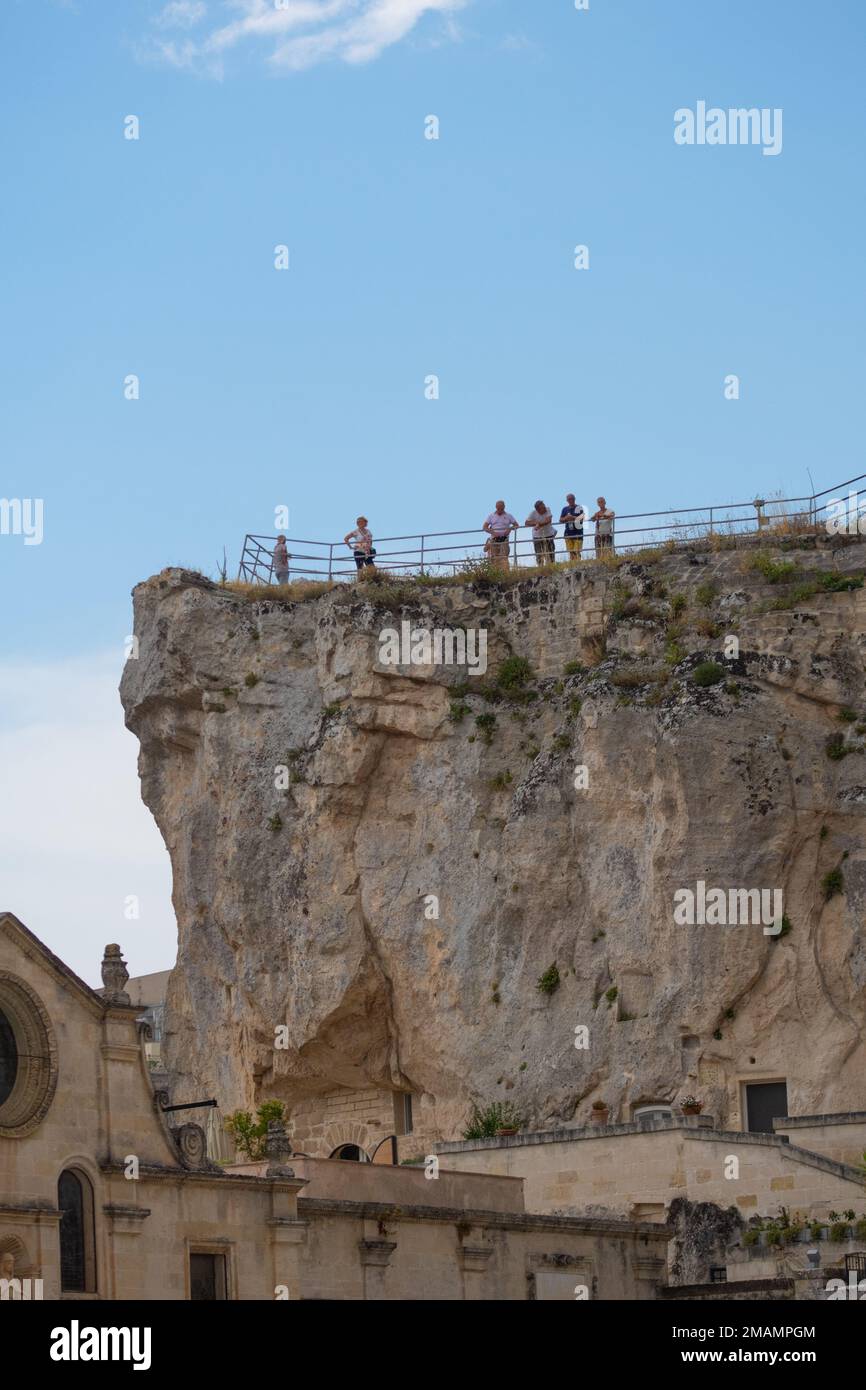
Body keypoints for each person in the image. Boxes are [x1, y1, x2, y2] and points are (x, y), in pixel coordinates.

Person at [483, 501, 518, 571]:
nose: (500, 510)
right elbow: (484, 527)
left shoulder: (509, 516)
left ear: (504, 507)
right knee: (494, 558)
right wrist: (492, 532)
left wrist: (510, 529)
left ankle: (506, 573)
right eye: (498, 508)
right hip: (494, 539)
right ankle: (495, 574)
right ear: (496, 507)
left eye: (501, 508)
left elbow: (516, 525)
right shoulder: (491, 516)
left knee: (504, 557)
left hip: (504, 539)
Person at [524, 500, 556, 566]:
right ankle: (540, 568)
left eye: (544, 506)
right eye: (543, 507)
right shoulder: (533, 513)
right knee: (539, 554)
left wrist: (539, 525)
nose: (544, 508)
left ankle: (551, 567)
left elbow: (548, 520)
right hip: (537, 536)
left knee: (551, 553)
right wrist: (536, 523)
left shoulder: (548, 509)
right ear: (537, 509)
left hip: (548, 535)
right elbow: (526, 523)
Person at [560, 494, 585, 562]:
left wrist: (573, 517)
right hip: (568, 533)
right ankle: (572, 564)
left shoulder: (579, 508)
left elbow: (582, 518)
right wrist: (566, 518)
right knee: (571, 552)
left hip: (578, 533)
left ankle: (577, 564)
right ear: (567, 500)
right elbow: (560, 520)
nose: (571, 500)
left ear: (574, 499)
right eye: (569, 499)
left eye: (572, 499)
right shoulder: (564, 509)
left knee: (576, 551)